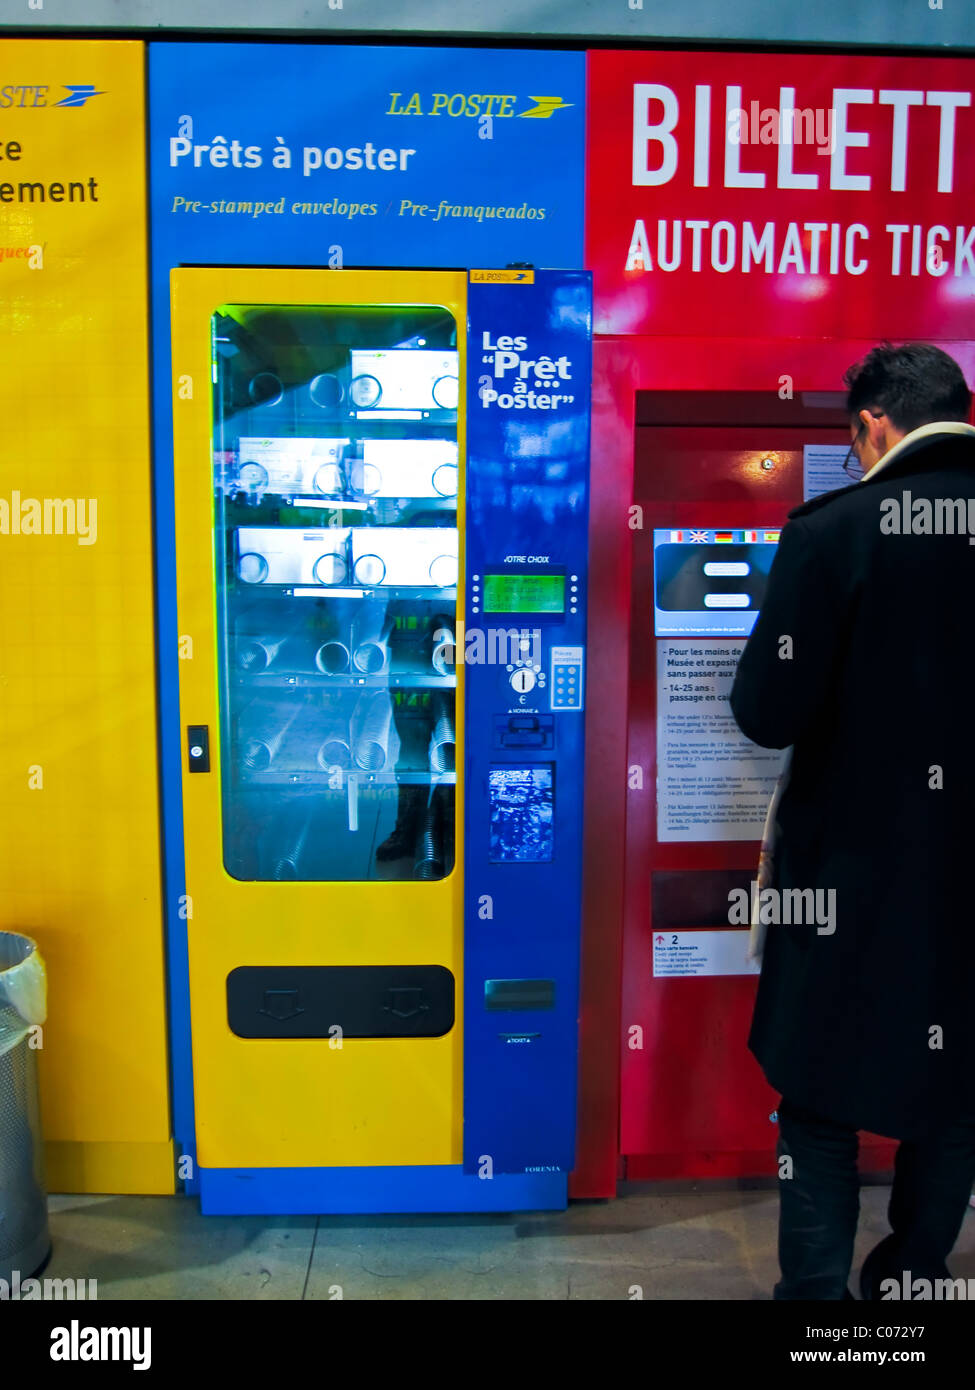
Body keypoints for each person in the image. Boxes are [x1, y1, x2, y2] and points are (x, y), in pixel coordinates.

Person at [730, 342, 975, 1300]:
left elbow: (766, 712)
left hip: (850, 884)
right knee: (955, 1094)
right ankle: (912, 1278)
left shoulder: (836, 532)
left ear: (872, 425)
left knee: (822, 1099)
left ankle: (819, 1307)